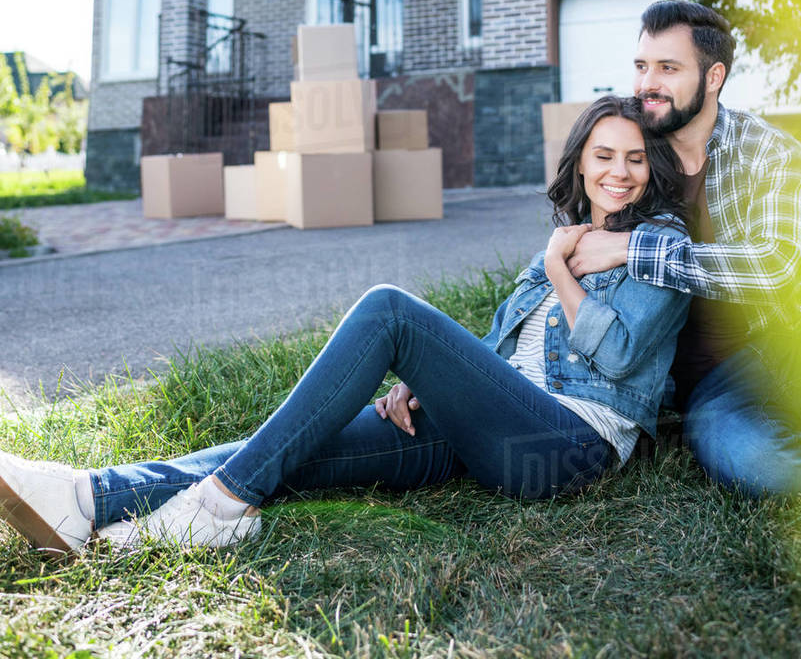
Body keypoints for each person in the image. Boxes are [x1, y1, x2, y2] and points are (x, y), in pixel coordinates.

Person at [0, 96, 691, 556]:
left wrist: (560, 269)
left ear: (651, 168)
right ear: (579, 161)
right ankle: (85, 498)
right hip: (496, 428)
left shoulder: (659, 244)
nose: (618, 172)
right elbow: (505, 353)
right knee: (298, 445)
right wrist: (434, 384)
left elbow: (624, 361)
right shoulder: (567, 234)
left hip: (568, 449)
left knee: (388, 308)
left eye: (634, 158)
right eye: (603, 155)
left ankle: (218, 507)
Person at [568, 0, 801, 496]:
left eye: (668, 68)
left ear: (713, 77)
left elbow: (778, 264)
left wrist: (634, 250)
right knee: (756, 466)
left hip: (777, 349)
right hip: (706, 386)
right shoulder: (630, 154)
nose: (647, 83)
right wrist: (455, 369)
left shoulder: (767, 153)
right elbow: (563, 267)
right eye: (641, 66)